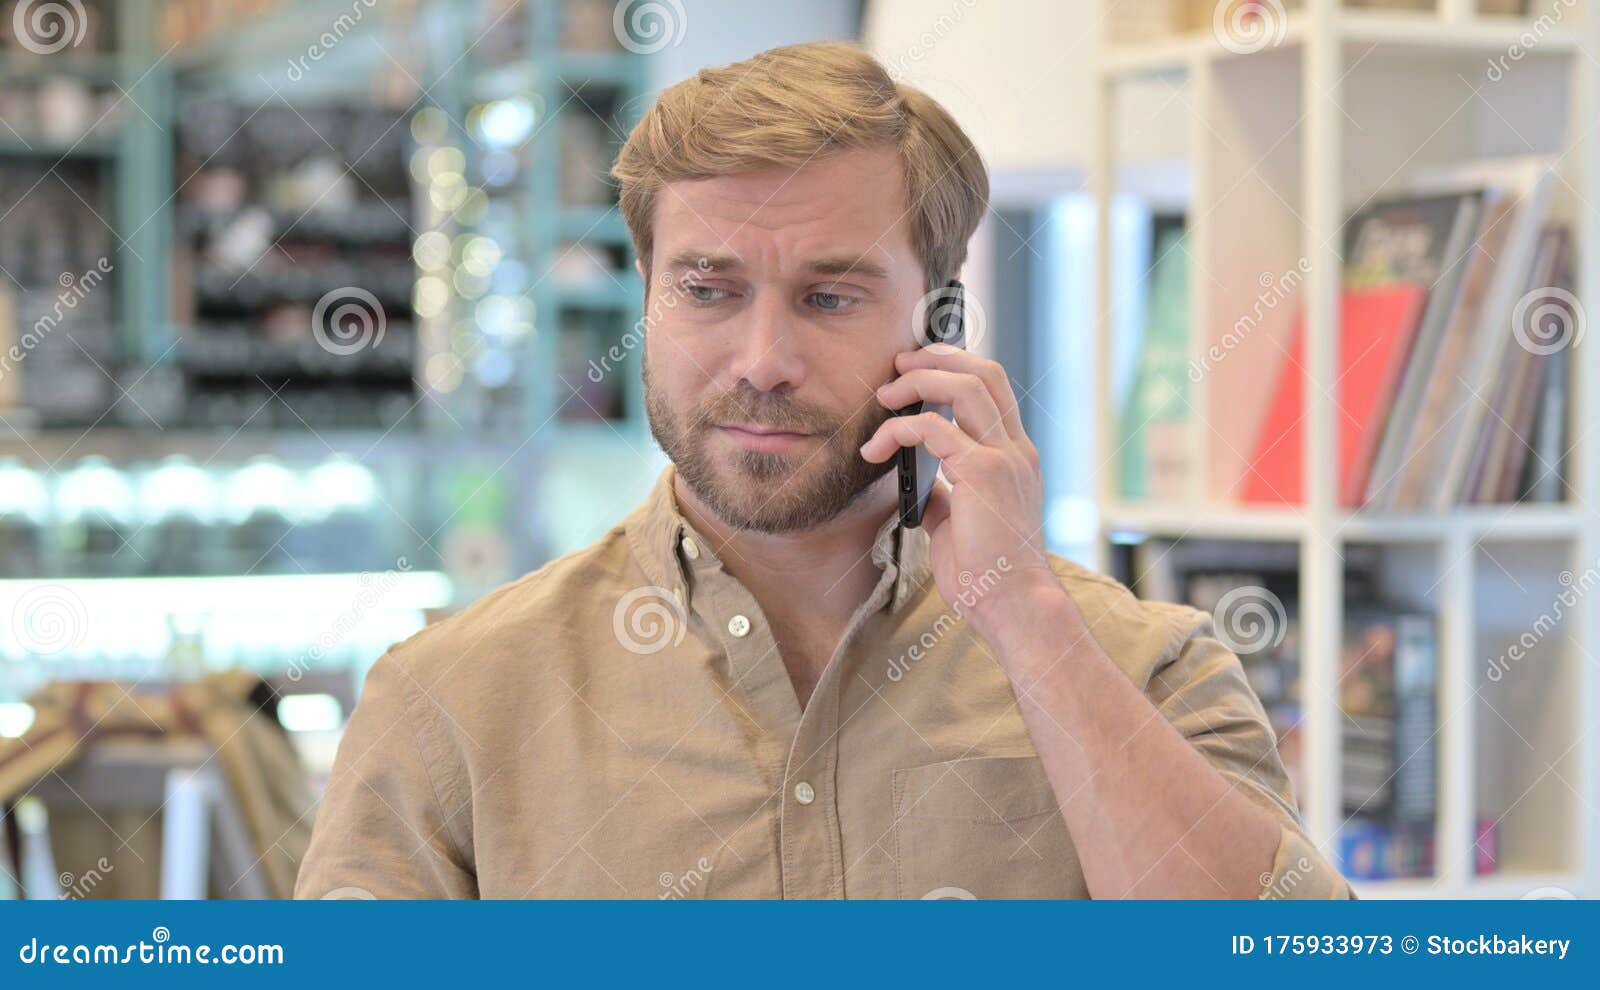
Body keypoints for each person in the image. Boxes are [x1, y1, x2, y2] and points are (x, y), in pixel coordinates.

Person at [295, 41, 1349, 900]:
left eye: (829, 296)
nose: (762, 361)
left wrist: (1026, 620)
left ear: (939, 323)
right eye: (707, 290)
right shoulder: (452, 704)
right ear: (647, 300)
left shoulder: (1144, 670)